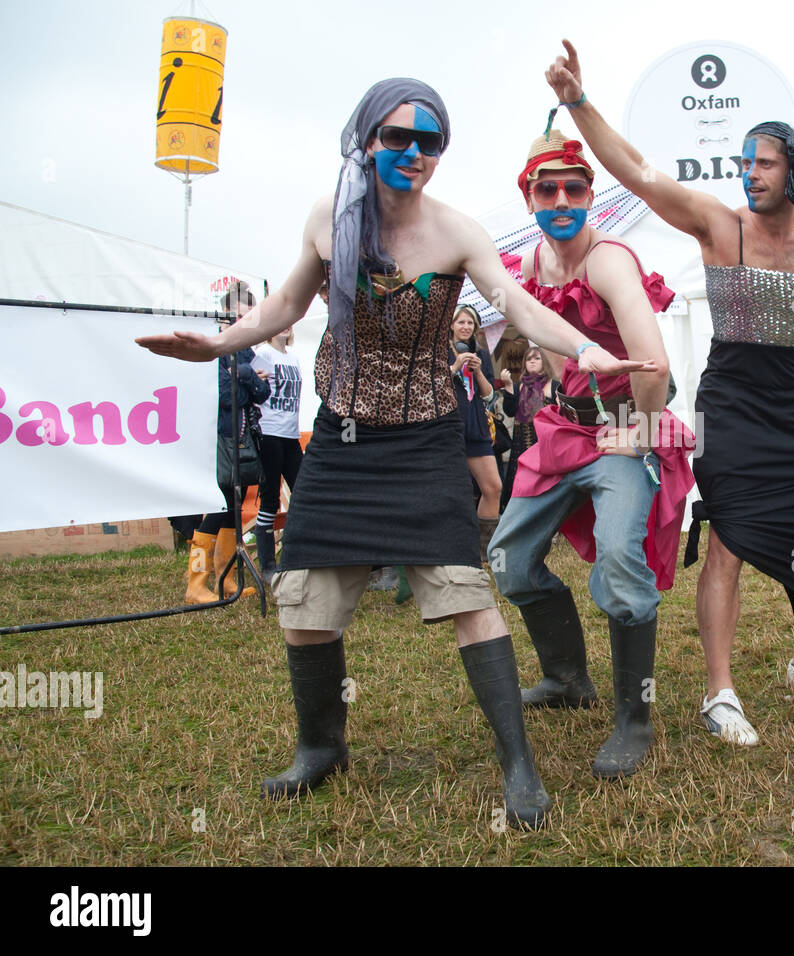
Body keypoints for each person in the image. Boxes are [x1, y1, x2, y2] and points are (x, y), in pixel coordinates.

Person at [137, 78, 649, 828]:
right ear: (367, 139)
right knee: (306, 607)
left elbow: (516, 303)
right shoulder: (329, 220)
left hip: (424, 440)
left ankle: (519, 767)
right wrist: (218, 342)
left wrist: (584, 349)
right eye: (398, 138)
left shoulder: (456, 231)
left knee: (468, 598)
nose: (414, 153)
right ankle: (321, 748)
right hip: (343, 443)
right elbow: (286, 306)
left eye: (430, 141)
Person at [543, 42, 794, 749]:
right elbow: (635, 172)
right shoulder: (720, 225)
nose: (749, 175)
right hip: (731, 406)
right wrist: (577, 100)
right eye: (746, 163)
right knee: (725, 538)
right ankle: (718, 692)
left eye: (764, 163)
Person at [488, 129, 693, 778]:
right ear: (528, 198)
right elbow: (544, 342)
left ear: (590, 193)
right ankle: (567, 678)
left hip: (624, 430)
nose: (561, 198)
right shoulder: (527, 267)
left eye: (574, 187)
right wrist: (557, 392)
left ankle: (635, 718)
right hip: (562, 430)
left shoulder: (610, 261)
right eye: (546, 188)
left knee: (620, 564)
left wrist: (639, 429)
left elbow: (655, 362)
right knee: (510, 562)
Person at [184, 282, 270, 604]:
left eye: (250, 317)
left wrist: (242, 375)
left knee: (235, 505)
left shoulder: (244, 351)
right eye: (240, 317)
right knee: (219, 507)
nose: (245, 323)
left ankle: (227, 579)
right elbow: (223, 397)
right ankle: (196, 584)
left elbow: (262, 394)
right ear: (225, 315)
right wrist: (247, 376)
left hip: (244, 437)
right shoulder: (215, 348)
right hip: (220, 437)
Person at [250, 322, 304, 585]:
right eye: (279, 324)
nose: (284, 328)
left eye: (288, 325)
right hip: (270, 433)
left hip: (291, 435)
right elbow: (252, 388)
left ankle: (296, 557)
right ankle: (268, 566)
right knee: (270, 499)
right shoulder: (263, 353)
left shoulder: (293, 357)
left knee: (304, 494)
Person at [449, 303, 502, 556]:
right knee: (455, 493)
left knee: (493, 487)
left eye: (470, 323)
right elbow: (431, 387)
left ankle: (484, 551)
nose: (466, 327)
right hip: (450, 429)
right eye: (461, 322)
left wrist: (479, 371)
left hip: (477, 426)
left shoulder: (480, 353)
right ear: (451, 325)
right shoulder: (439, 353)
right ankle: (456, 550)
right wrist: (456, 367)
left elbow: (489, 396)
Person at [499, 345, 559, 505]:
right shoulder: (519, 385)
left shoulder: (554, 386)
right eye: (529, 359)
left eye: (536, 358)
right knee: (520, 487)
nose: (532, 362)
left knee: (546, 488)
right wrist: (508, 387)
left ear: (544, 361)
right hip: (521, 445)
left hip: (546, 444)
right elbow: (510, 411)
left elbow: (562, 415)